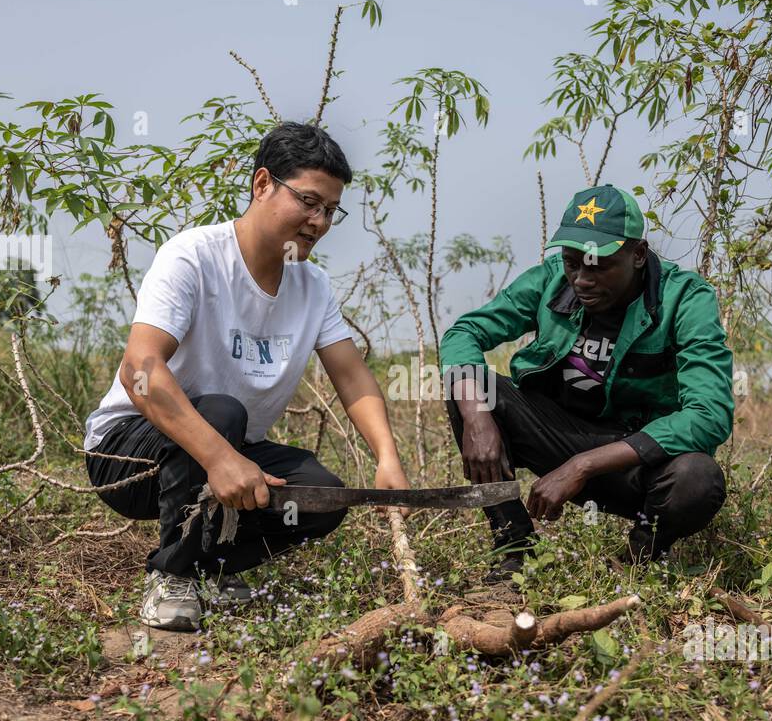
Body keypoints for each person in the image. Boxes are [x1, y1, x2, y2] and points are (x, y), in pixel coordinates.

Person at [84, 121, 409, 630]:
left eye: (330, 210)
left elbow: (352, 377)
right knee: (221, 411)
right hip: (127, 454)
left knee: (320, 496)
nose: (319, 222)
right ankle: (172, 577)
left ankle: (212, 564)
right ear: (262, 184)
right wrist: (219, 458)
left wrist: (387, 457)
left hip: (228, 447)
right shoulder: (193, 256)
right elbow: (139, 369)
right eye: (308, 201)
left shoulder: (313, 286)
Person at [440, 183, 732, 582]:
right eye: (572, 263)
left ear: (638, 254)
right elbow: (464, 334)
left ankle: (639, 561)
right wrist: (476, 417)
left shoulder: (685, 299)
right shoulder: (550, 280)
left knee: (698, 477)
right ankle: (514, 550)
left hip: (635, 460)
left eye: (598, 266)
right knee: (472, 387)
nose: (581, 279)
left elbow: (709, 415)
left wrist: (582, 466)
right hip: (559, 436)